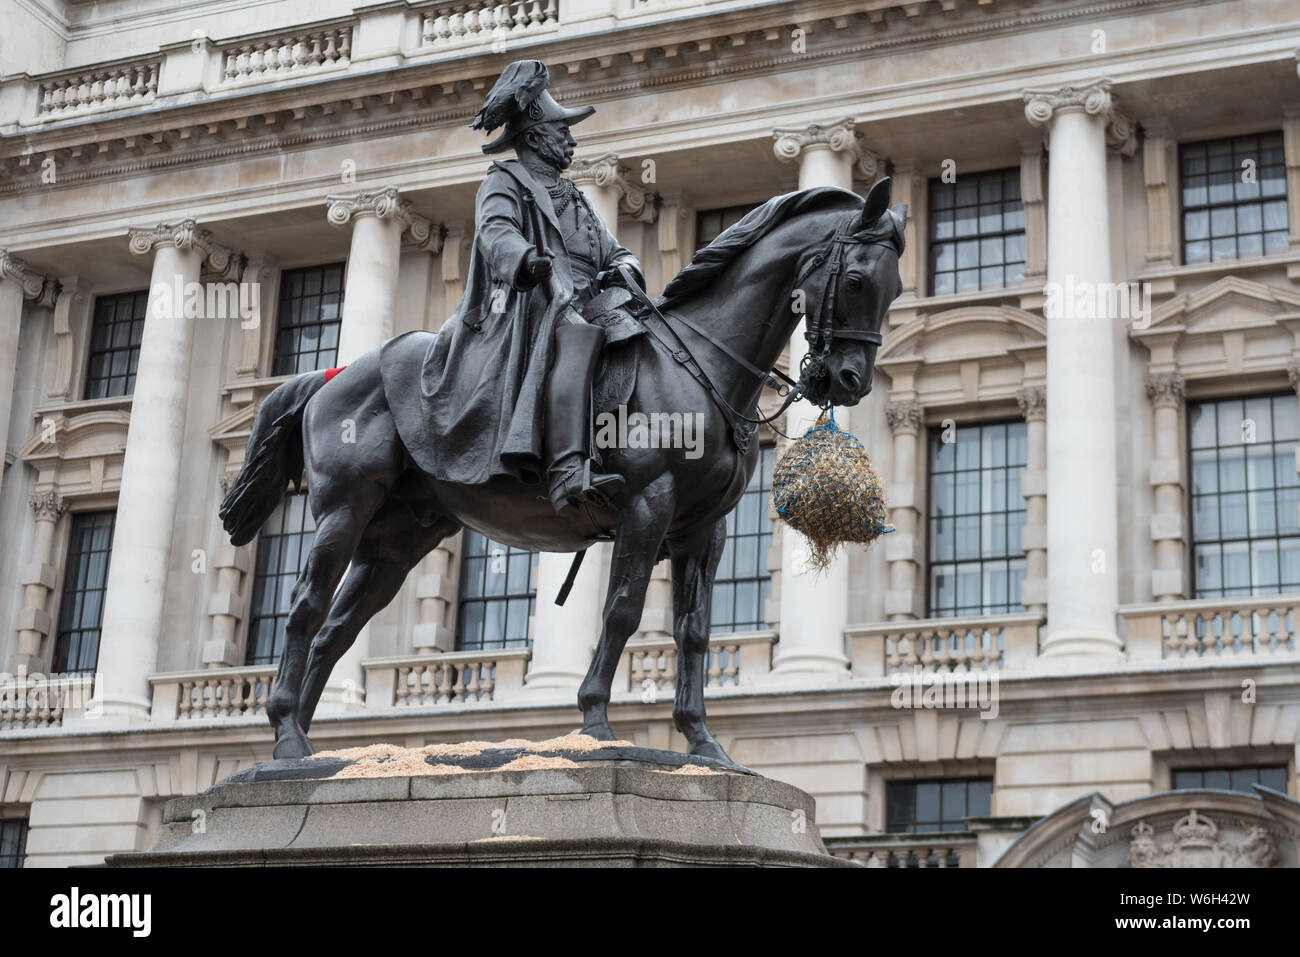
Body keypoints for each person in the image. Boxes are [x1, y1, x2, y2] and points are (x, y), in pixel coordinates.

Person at [469, 59, 646, 512]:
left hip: (588, 294)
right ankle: (568, 468)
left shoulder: (579, 197)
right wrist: (527, 260)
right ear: (533, 137)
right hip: (535, 298)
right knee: (579, 333)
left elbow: (613, 250)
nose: (571, 138)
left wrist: (626, 268)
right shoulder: (505, 181)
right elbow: (496, 232)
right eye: (561, 129)